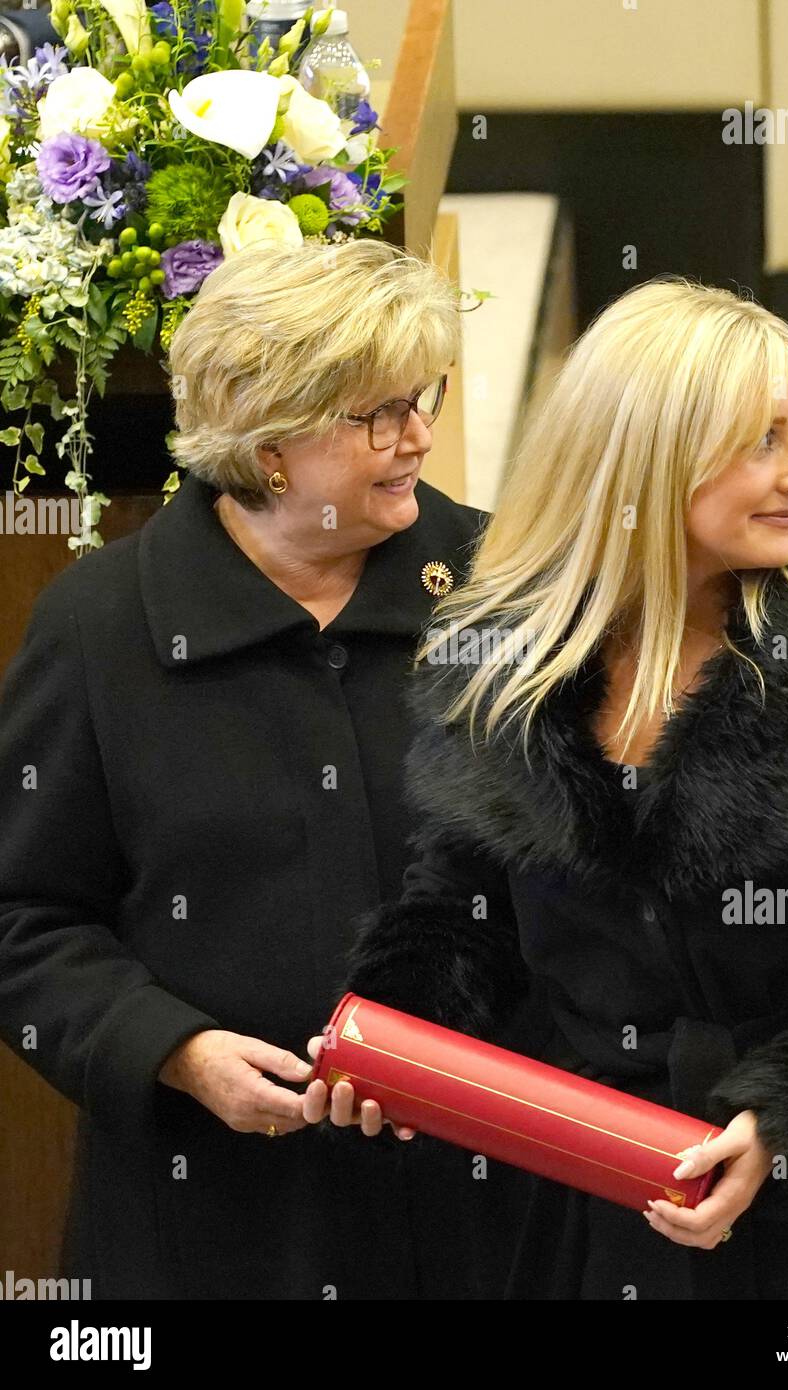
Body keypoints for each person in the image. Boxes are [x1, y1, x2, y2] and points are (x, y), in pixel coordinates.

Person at [322, 274, 788, 1299]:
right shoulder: (499, 666)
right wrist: (394, 1044)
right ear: (642, 462)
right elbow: (463, 906)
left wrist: (787, 1122)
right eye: (761, 441)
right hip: (590, 1201)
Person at [0, 238, 539, 1300]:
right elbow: (24, 915)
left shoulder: (505, 591)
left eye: (422, 396)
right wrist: (171, 1049)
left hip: (481, 1203)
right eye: (375, 413)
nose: (418, 435)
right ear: (268, 437)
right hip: (217, 1219)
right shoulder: (101, 624)